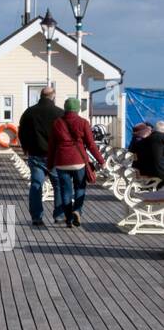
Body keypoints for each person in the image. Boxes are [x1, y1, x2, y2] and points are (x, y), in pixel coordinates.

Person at [47, 95, 105, 228]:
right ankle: (77, 210)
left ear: (65, 108)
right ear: (78, 108)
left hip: (61, 161)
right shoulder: (83, 122)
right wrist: (101, 160)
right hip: (79, 161)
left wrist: (50, 165)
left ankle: (68, 219)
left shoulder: (57, 123)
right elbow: (91, 144)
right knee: (80, 187)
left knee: (65, 191)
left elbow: (52, 146)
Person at [18, 85, 63, 227]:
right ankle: (59, 215)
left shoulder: (29, 112)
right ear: (53, 96)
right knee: (58, 185)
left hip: (36, 154)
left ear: (40, 96)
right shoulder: (60, 113)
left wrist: (25, 148)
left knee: (36, 185)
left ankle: (37, 217)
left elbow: (22, 132)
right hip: (55, 156)